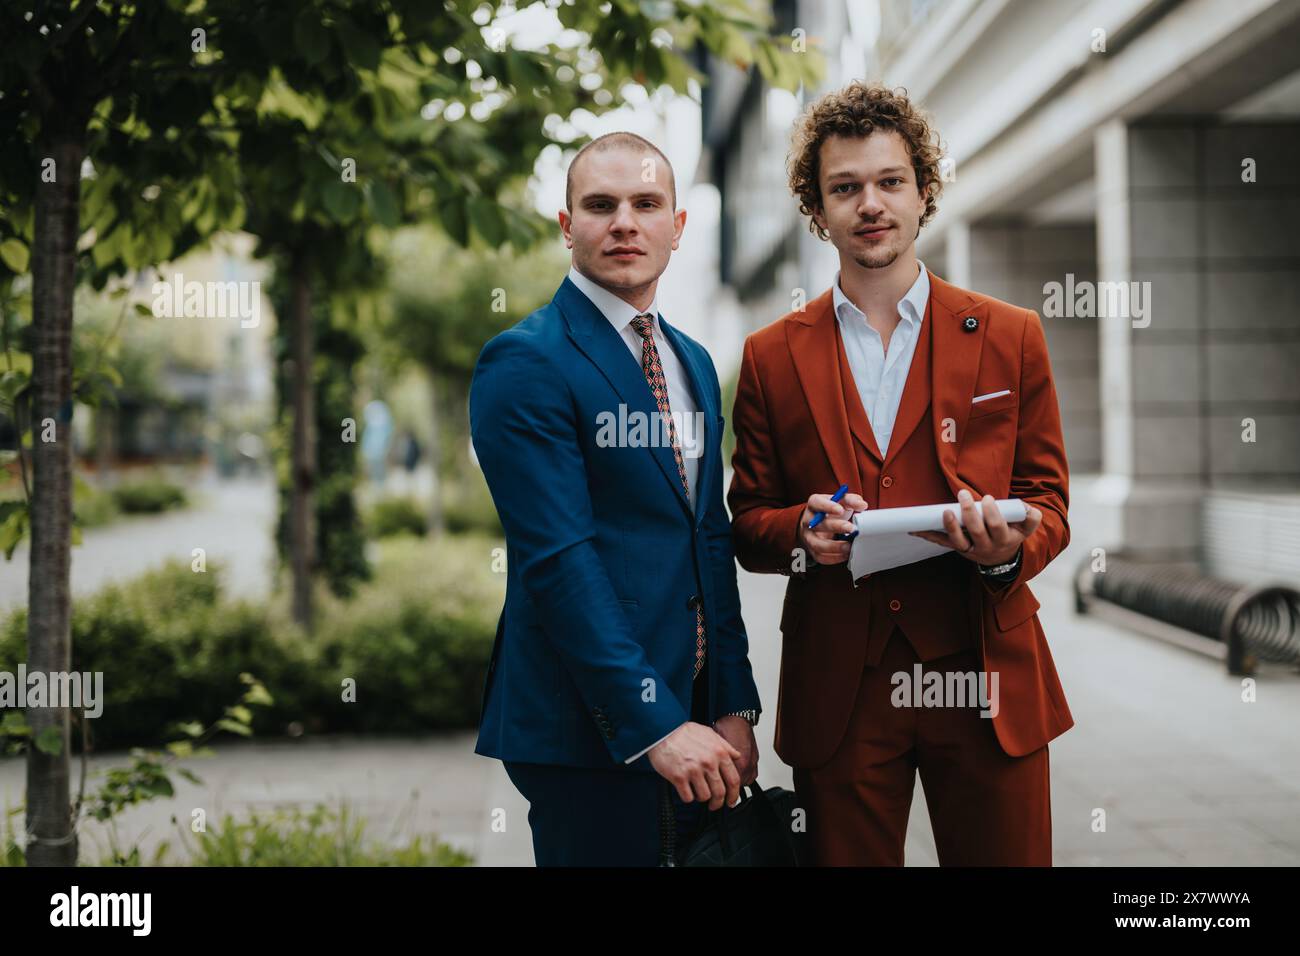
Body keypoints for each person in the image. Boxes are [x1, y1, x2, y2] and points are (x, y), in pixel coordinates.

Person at [728, 82, 1073, 865]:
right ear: (817, 209)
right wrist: (800, 535)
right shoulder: (770, 355)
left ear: (924, 192)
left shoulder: (1012, 336)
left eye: (890, 181)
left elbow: (1049, 500)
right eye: (845, 188)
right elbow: (749, 521)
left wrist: (1008, 553)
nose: (870, 204)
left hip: (986, 673)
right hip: (842, 686)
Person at [470, 131, 762, 866]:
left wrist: (730, 701)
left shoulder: (692, 360)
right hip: (589, 724)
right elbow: (559, 560)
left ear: (677, 226)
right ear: (568, 227)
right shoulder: (526, 360)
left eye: (645, 203)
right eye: (600, 205)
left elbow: (709, 538)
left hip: (694, 710)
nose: (624, 222)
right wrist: (653, 724)